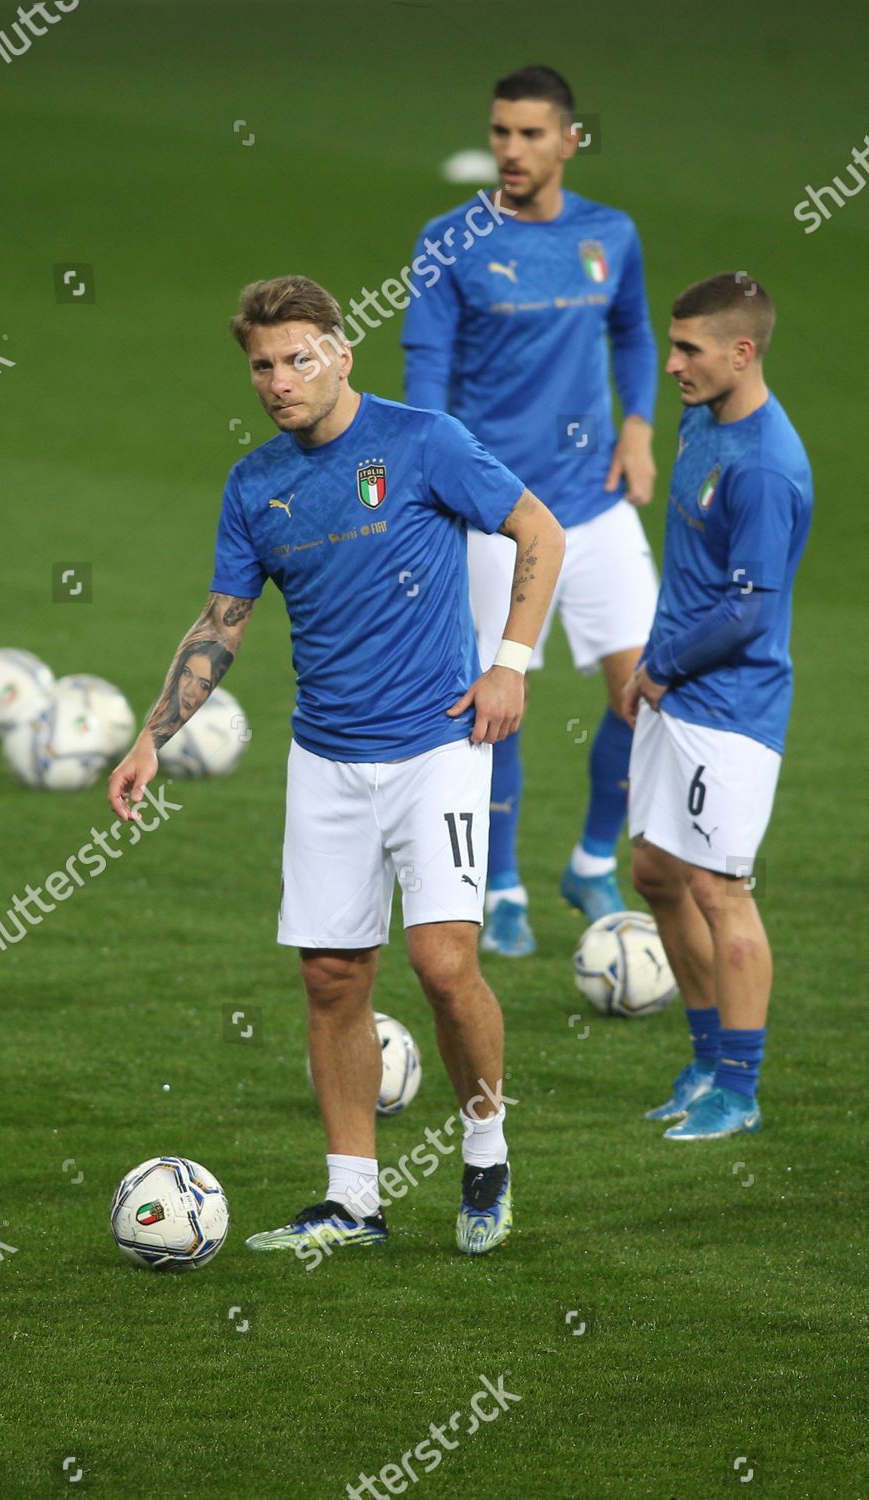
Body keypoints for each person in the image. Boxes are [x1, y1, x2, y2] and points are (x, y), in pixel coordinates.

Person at [109, 276, 565, 1254]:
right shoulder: (253, 485)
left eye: (297, 358)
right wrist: (155, 733)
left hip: (436, 746)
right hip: (324, 759)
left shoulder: (422, 442)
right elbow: (221, 624)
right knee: (329, 977)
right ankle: (353, 1199)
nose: (278, 380)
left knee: (442, 964)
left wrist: (510, 665)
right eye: (263, 365)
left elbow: (538, 529)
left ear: (341, 352)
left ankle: (484, 1146)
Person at [402, 63, 658, 955]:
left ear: (568, 140)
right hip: (497, 517)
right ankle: (499, 884)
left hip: (595, 506)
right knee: (493, 704)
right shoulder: (450, 240)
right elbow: (425, 374)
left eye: (530, 134)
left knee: (647, 697)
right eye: (500, 132)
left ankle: (592, 862)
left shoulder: (609, 235)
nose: (510, 150)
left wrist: (638, 426)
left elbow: (632, 329)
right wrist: (430, 478)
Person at [622, 272, 812, 1140]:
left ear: (743, 351)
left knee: (718, 887)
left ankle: (740, 1089)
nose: (672, 365)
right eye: (670, 344)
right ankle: (704, 1060)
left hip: (730, 706)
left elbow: (750, 610)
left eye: (690, 350)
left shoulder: (768, 467)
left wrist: (657, 665)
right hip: (675, 688)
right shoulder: (703, 420)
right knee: (656, 874)